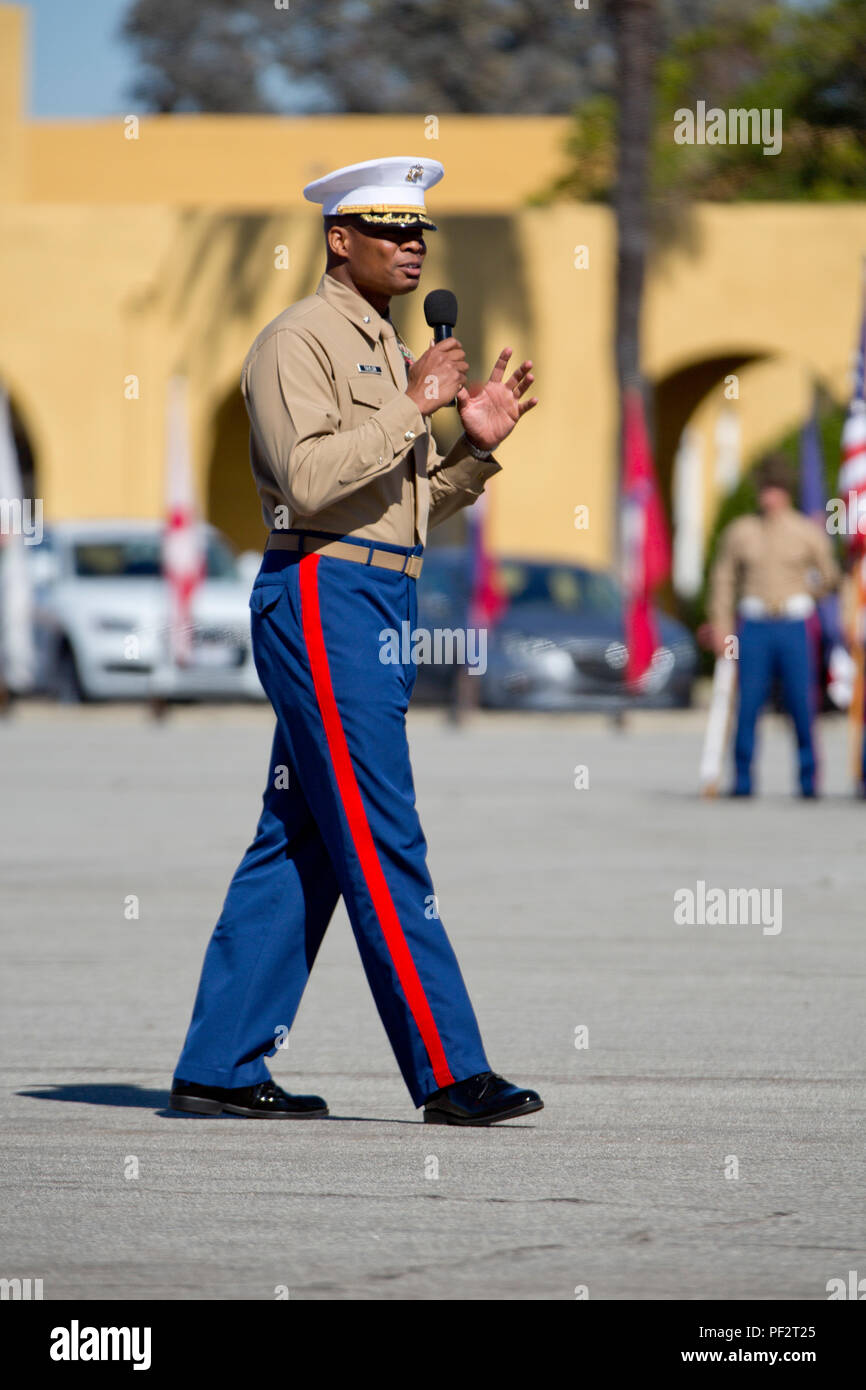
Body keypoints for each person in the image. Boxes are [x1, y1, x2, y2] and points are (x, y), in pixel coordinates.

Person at [170, 156, 542, 1125]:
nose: (411, 245)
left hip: (376, 595)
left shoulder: (383, 346)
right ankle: (450, 1071)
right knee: (381, 832)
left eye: (419, 232)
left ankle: (218, 1062)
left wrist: (474, 449)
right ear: (340, 239)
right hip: (320, 592)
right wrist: (413, 405)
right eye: (388, 229)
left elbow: (403, 506)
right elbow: (307, 479)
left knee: (301, 840)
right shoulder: (299, 340)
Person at [706, 453, 840, 797]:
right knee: (748, 703)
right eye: (765, 489)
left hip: (793, 624)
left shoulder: (806, 531)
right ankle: (743, 778)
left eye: (776, 489)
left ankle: (809, 779)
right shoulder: (741, 532)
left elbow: (830, 576)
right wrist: (720, 625)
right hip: (754, 624)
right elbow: (722, 580)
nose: (770, 497)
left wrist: (805, 594)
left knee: (801, 702)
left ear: (787, 492)